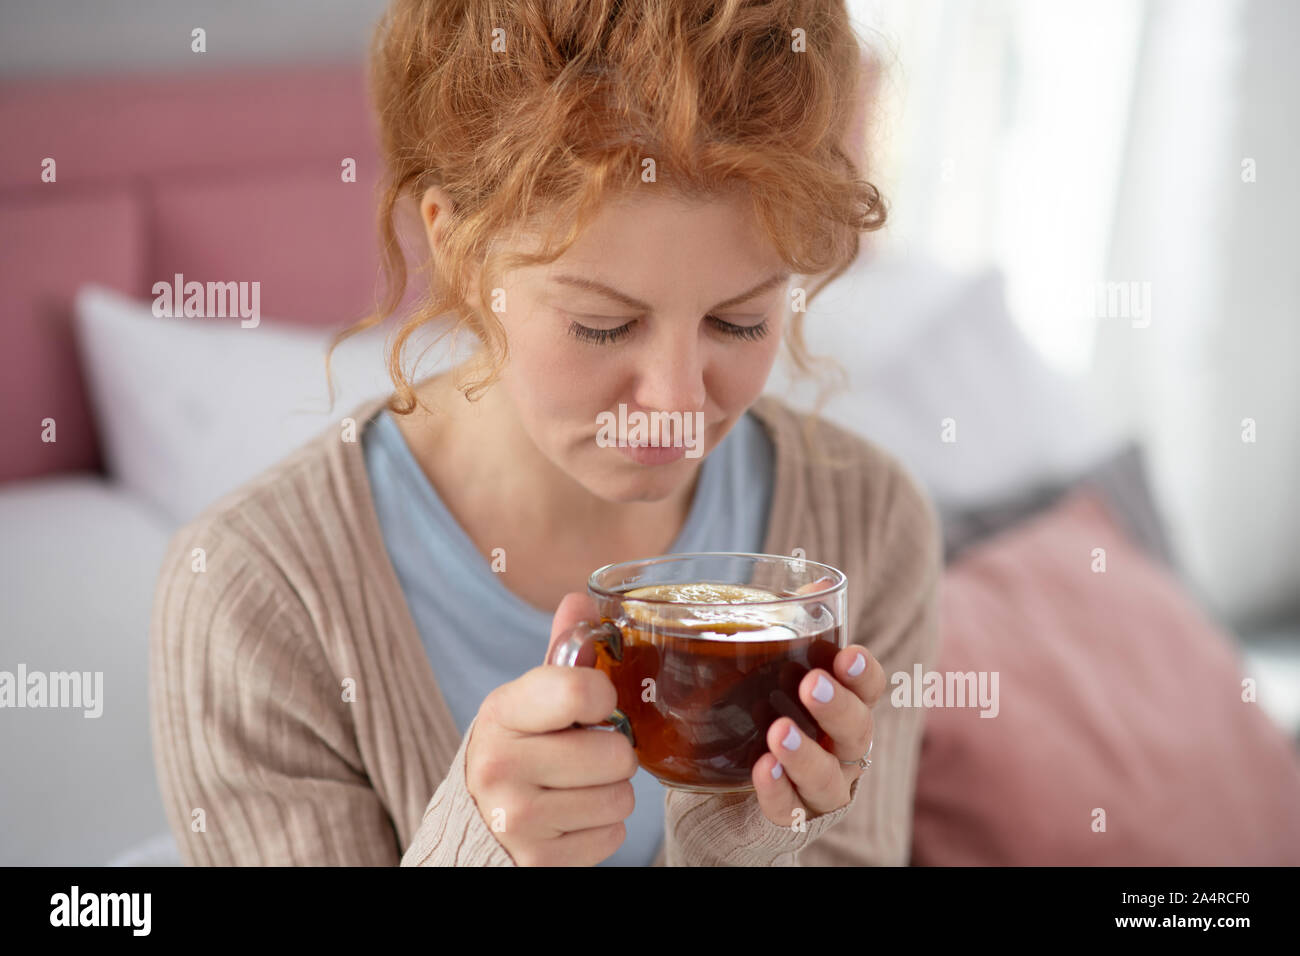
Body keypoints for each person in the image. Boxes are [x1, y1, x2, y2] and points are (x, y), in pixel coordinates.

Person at [149, 0, 942, 866]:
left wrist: (743, 852)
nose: (676, 403)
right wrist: (474, 851)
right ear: (457, 251)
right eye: (603, 326)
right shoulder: (257, 600)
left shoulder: (869, 526)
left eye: (740, 322)